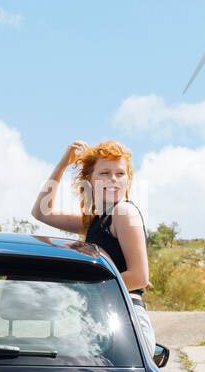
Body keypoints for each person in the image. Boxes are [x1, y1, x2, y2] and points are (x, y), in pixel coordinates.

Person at [30, 140, 156, 355]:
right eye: (105, 173)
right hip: (101, 317)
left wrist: (85, 288)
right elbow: (41, 212)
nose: (113, 180)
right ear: (89, 180)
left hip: (125, 319)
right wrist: (63, 164)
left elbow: (140, 277)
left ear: (129, 179)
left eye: (120, 173)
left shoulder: (125, 213)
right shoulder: (97, 218)